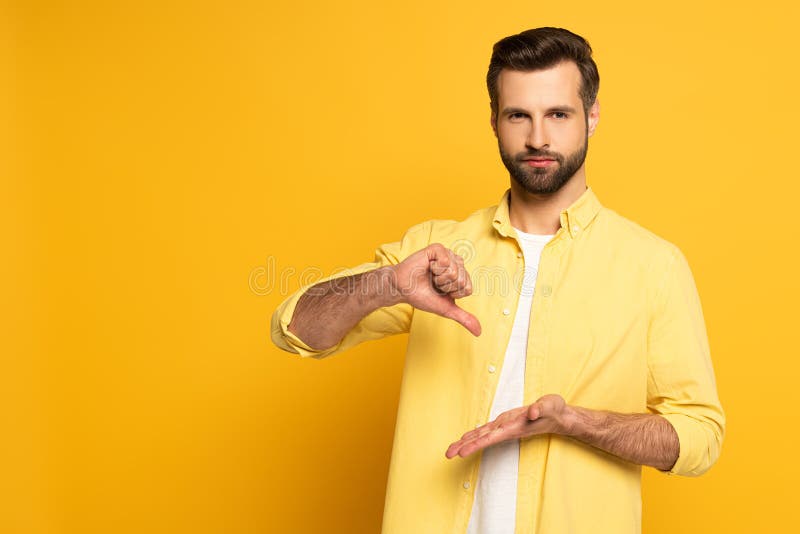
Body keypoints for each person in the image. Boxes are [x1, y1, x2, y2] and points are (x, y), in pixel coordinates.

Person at [270, 27, 724, 534]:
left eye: (558, 114)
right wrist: (387, 284)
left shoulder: (652, 266)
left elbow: (700, 435)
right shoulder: (434, 251)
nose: (537, 138)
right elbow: (294, 331)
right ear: (494, 121)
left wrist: (576, 423)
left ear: (592, 117)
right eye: (518, 115)